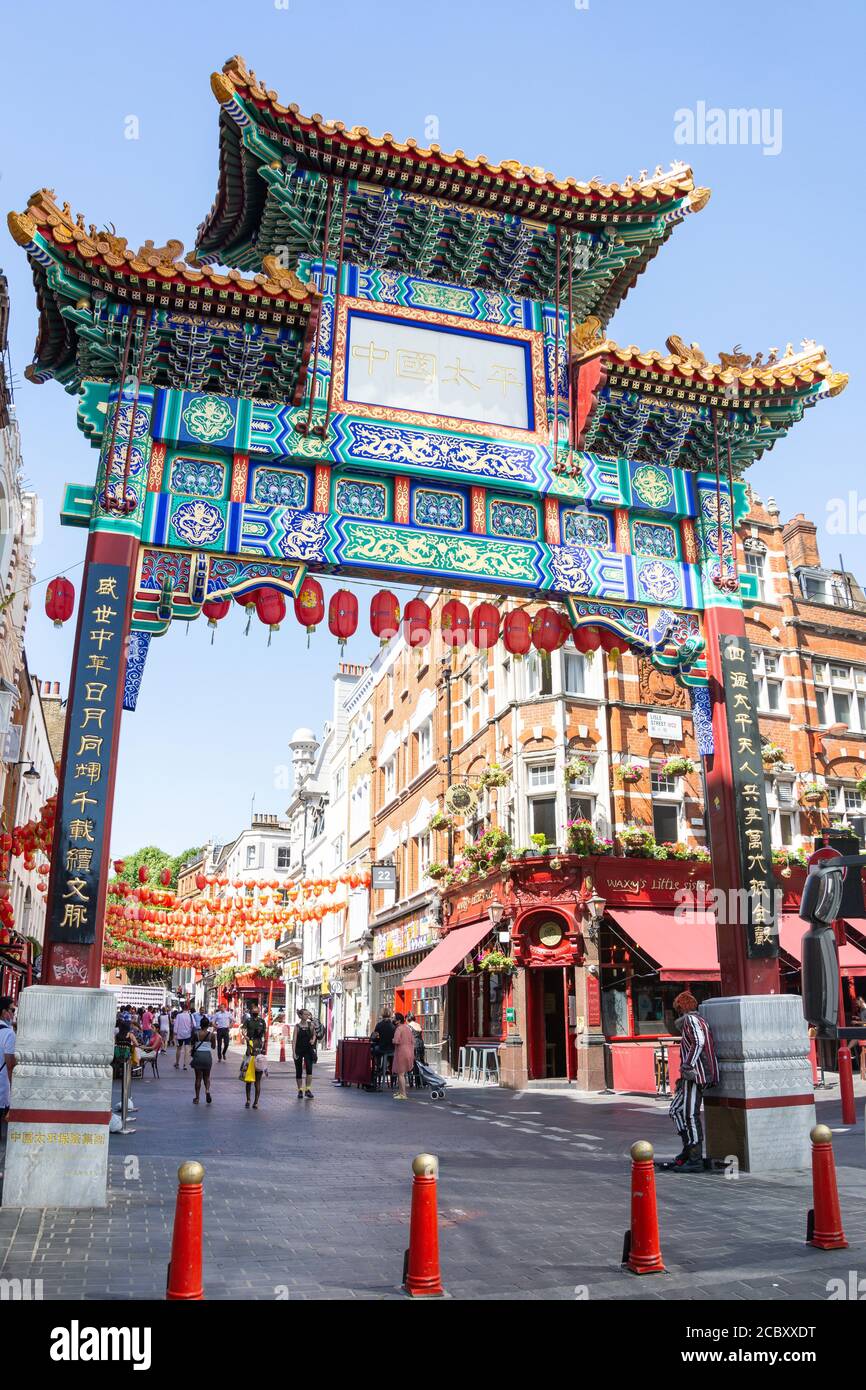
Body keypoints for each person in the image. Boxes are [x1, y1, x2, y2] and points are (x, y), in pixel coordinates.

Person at [661, 991, 719, 1172]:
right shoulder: (698, 1020)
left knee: (689, 1114)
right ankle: (688, 1150)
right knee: (676, 1110)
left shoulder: (691, 1020)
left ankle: (695, 1158)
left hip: (695, 1074)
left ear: (681, 1008)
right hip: (692, 1075)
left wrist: (688, 1065)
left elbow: (699, 1041)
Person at [242, 1004, 267, 1109]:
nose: (255, 1012)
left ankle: (256, 1102)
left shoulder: (262, 1022)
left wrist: (265, 1046)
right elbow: (243, 1030)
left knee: (258, 1080)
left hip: (259, 1053)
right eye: (254, 1010)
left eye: (257, 1010)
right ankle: (248, 1099)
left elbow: (265, 1035)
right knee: (248, 1079)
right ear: (251, 1011)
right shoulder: (248, 1021)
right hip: (250, 1052)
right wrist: (246, 1037)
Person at [292, 1008, 317, 1100]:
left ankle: (308, 1089)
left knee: (309, 1070)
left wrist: (313, 1040)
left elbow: (314, 1034)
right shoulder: (297, 1027)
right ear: (301, 1016)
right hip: (299, 1050)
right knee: (299, 1071)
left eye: (308, 1014)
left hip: (308, 1050)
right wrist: (294, 1052)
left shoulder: (311, 1025)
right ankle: (300, 1090)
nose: (307, 1016)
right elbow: (294, 1040)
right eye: (305, 1014)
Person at [0, 997, 16, 1140]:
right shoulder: (9, 1034)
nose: (13, 1014)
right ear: (4, 1012)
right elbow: (10, 1065)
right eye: (12, 1010)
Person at [190, 1014, 215, 1104]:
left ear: (200, 1025)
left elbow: (192, 1043)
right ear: (208, 1025)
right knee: (207, 1077)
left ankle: (197, 1098)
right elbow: (213, 1046)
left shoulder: (196, 1034)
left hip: (198, 1056)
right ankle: (207, 1090)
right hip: (207, 1057)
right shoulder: (211, 1035)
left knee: (198, 1078)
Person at [391, 1013, 416, 1102]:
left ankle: (403, 1094)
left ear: (398, 1021)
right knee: (401, 1073)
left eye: (394, 1018)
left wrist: (392, 1040)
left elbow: (396, 1041)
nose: (393, 1019)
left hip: (401, 1052)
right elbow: (413, 1040)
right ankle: (400, 1092)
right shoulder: (407, 1028)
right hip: (409, 1051)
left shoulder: (399, 1029)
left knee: (400, 1074)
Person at [370, 1008, 396, 1088]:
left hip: (382, 1048)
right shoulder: (393, 1026)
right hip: (392, 1049)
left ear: (382, 1015)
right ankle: (390, 1070)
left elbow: (374, 1037)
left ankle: (377, 1068)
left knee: (373, 1051)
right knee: (389, 1057)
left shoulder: (379, 1025)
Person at [173, 1001, 194, 1070]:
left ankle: (177, 1063)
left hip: (180, 1035)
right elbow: (195, 1025)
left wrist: (175, 1034)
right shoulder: (190, 1015)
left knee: (179, 1049)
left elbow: (176, 1025)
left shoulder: (179, 1015)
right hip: (188, 1034)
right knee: (187, 1049)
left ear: (182, 1008)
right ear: (188, 1009)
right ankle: (185, 1065)